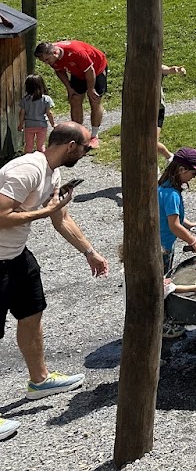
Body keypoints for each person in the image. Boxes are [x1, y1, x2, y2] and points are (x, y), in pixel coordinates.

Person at [0, 122, 107, 435]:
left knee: (32, 314)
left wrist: (89, 251)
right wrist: (43, 213)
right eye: (86, 149)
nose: (87, 154)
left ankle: (40, 380)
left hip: (17, 256)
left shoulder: (54, 172)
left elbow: (61, 218)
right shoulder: (27, 169)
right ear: (71, 146)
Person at [35, 40, 108, 149]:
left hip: (96, 69)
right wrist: (69, 88)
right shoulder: (51, 57)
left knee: (94, 100)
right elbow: (59, 70)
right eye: (44, 61)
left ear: (55, 53)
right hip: (77, 72)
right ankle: (78, 134)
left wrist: (91, 89)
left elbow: (90, 71)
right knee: (75, 99)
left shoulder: (76, 53)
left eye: (47, 60)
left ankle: (94, 136)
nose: (47, 63)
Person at [157, 148, 196, 274]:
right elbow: (174, 225)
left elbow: (168, 214)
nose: (194, 177)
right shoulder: (172, 195)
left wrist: (188, 224)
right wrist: (193, 241)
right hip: (163, 247)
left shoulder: (162, 187)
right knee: (163, 280)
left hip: (158, 242)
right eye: (193, 173)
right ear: (182, 170)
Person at [156, 65, 187, 160]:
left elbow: (167, 70)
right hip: (141, 109)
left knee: (152, 142)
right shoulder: (135, 67)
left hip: (157, 109)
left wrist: (174, 70)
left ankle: (170, 158)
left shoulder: (157, 66)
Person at [19, 74, 55, 154]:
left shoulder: (25, 100)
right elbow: (49, 113)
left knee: (28, 145)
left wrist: (21, 124)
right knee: (41, 145)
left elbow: (22, 113)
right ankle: (42, 160)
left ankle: (27, 161)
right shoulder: (46, 99)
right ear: (41, 85)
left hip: (29, 125)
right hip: (41, 125)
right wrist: (53, 124)